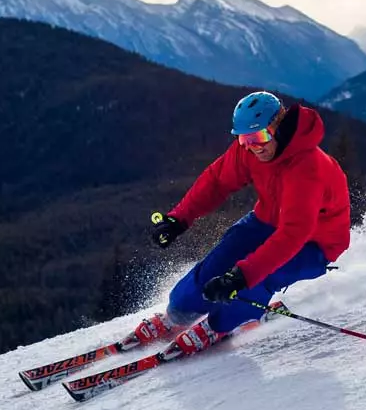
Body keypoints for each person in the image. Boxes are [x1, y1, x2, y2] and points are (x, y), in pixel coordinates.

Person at [147, 90, 351, 352]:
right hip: (265, 221)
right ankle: (178, 316)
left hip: (314, 243)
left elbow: (292, 235)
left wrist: (241, 276)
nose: (253, 146)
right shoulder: (251, 151)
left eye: (259, 137)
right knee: (203, 280)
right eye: (244, 139)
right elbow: (217, 181)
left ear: (278, 125)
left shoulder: (308, 169)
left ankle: (220, 326)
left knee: (255, 280)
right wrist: (178, 219)